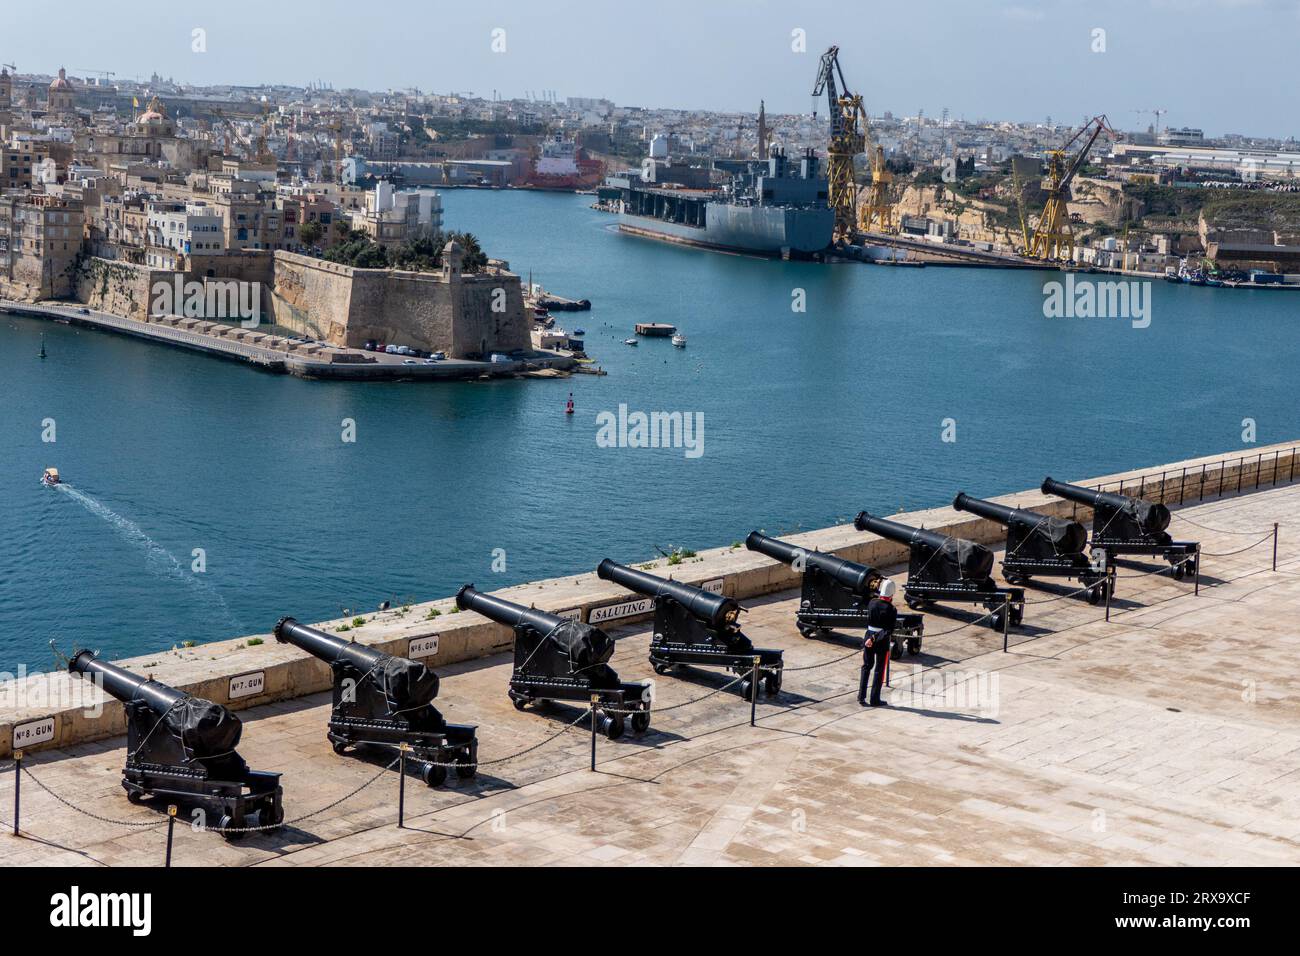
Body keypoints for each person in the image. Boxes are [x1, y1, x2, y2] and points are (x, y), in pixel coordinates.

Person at [859, 579, 898, 707]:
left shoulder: (872, 603)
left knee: (866, 667)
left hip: (869, 636)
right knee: (879, 670)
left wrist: (870, 638)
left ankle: (861, 696)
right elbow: (888, 630)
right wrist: (875, 639)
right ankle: (874, 699)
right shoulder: (891, 609)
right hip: (880, 641)